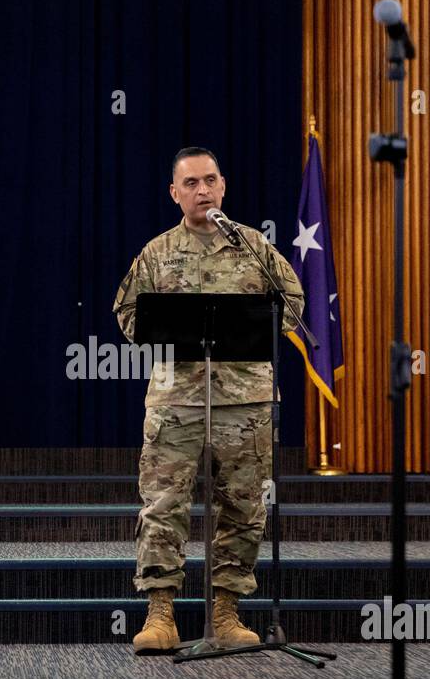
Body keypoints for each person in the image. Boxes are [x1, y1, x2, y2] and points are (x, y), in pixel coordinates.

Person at [112, 147, 305, 652]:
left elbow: (294, 303)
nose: (203, 190)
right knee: (163, 505)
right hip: (177, 401)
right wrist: (164, 329)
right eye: (191, 183)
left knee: (242, 507)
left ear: (223, 186)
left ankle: (226, 612)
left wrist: (254, 329)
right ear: (174, 193)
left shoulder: (256, 247)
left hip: (245, 402)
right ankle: (160, 616)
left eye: (210, 180)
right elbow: (127, 313)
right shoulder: (157, 253)